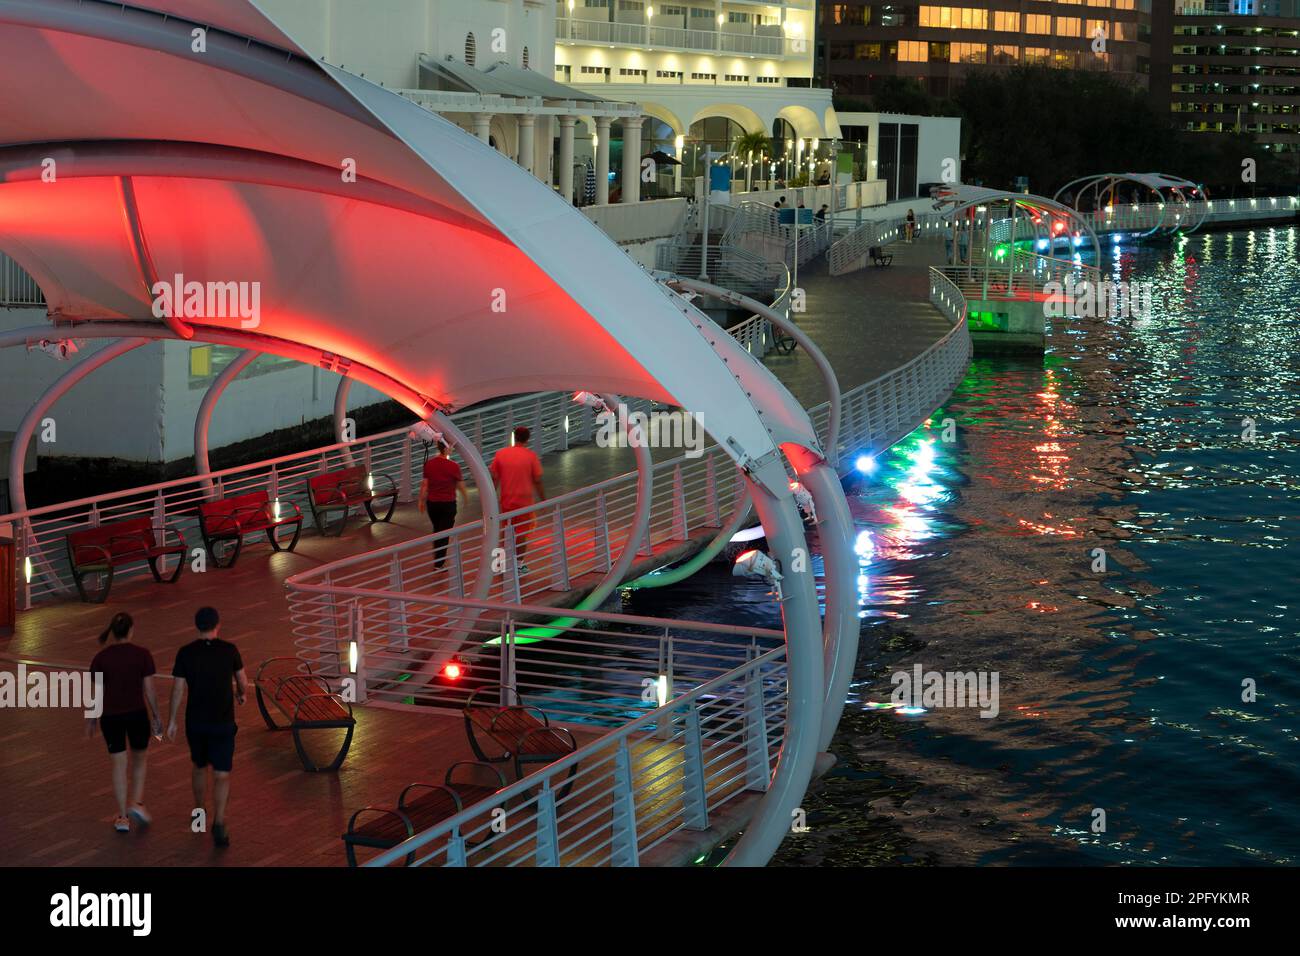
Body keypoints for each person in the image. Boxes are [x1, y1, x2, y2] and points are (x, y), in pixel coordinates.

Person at [167, 607, 246, 849]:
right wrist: (240, 694)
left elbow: (178, 689)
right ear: (217, 625)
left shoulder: (185, 653)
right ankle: (219, 822)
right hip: (223, 722)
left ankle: (199, 810)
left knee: (199, 766)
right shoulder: (229, 650)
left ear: (196, 626)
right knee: (222, 774)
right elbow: (242, 681)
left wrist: (172, 720)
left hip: (196, 722)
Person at [87, 612, 161, 834]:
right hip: (137, 714)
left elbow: (97, 692)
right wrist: (157, 715)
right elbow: (149, 689)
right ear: (131, 630)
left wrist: (92, 719)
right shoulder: (142, 655)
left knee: (119, 764)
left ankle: (122, 817)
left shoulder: (101, 658)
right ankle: (136, 802)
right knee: (139, 760)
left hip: (111, 717)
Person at [489, 426, 545, 574]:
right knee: (521, 533)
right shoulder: (530, 456)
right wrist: (544, 499)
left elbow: (494, 479)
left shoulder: (501, 454)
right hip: (524, 502)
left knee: (504, 532)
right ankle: (519, 564)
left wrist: (489, 499)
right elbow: (537, 480)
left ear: (514, 436)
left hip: (506, 501)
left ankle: (499, 565)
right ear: (528, 438)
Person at [417, 439, 468, 570]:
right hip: (448, 504)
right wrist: (466, 498)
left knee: (437, 530)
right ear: (446, 449)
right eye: (450, 446)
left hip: (432, 504)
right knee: (444, 533)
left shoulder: (429, 464)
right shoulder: (454, 466)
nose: (451, 448)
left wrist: (421, 501)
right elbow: (461, 486)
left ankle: (438, 560)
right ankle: (439, 563)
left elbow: (425, 485)